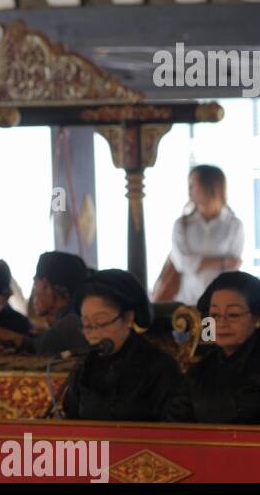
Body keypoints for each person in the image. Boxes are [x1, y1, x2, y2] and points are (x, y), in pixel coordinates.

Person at [63, 269, 193, 422]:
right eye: (87, 324)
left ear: (129, 318)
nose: (93, 333)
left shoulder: (159, 367)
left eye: (100, 322)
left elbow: (173, 429)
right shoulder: (84, 366)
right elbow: (71, 423)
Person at [0, 251, 89, 354]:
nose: (33, 292)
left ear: (47, 287)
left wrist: (17, 339)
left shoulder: (68, 326)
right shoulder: (73, 320)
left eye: (35, 284)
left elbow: (39, 348)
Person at [186, 272, 260, 424]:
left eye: (233, 315)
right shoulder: (200, 369)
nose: (221, 323)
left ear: (257, 318)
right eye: (214, 315)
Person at [169, 164, 244, 305]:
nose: (189, 190)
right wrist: (222, 262)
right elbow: (181, 263)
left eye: (193, 184)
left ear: (210, 186)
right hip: (188, 302)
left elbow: (233, 266)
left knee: (213, 327)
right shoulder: (182, 224)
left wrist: (197, 262)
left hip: (221, 304)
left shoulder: (234, 225)